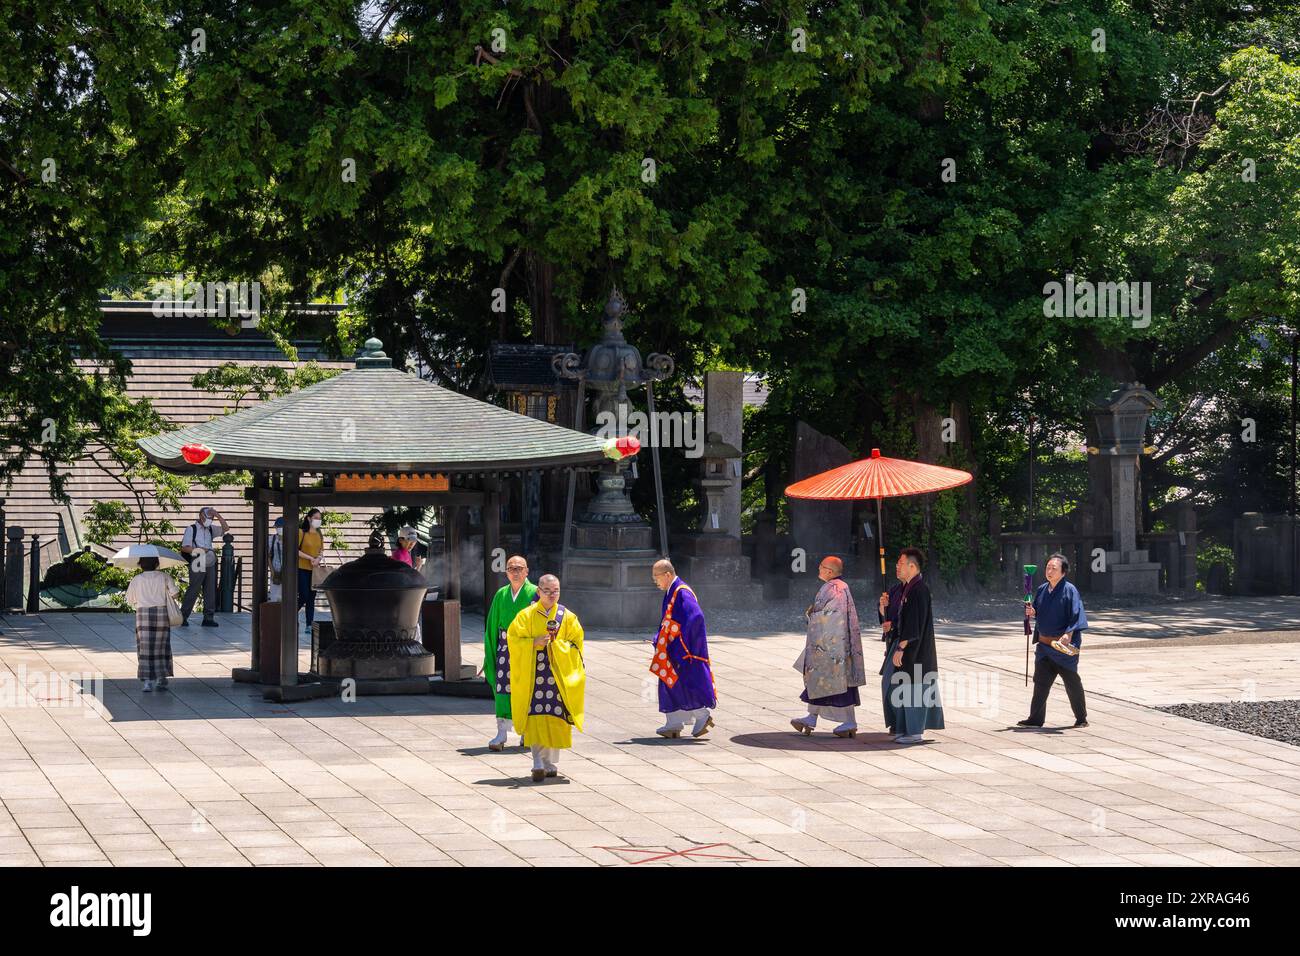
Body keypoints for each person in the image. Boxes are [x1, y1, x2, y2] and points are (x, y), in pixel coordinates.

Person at [505, 573, 585, 782]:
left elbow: (577, 645)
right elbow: (513, 640)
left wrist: (557, 646)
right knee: (535, 718)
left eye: (555, 590)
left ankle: (550, 762)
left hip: (558, 677)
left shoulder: (568, 617)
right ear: (538, 592)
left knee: (555, 718)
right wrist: (532, 642)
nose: (551, 595)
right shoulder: (526, 616)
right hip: (535, 676)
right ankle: (537, 762)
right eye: (547, 591)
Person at [791, 555, 865, 738]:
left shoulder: (836, 588)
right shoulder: (838, 587)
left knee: (840, 683)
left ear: (830, 571)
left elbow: (832, 616)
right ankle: (811, 717)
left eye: (822, 566)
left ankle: (849, 721)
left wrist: (814, 616)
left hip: (833, 644)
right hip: (830, 643)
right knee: (819, 679)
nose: (819, 568)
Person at [1018, 553, 1089, 729]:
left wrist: (1069, 634)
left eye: (1054, 568)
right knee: (1040, 683)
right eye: (1048, 567)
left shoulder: (1070, 590)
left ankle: (1081, 718)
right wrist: (1032, 612)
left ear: (1063, 572)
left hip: (1062, 646)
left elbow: (1076, 615)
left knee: (1072, 683)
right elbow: (1038, 611)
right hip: (1044, 645)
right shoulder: (1042, 589)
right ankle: (1036, 718)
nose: (1049, 571)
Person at [882, 547, 945, 744]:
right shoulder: (906, 588)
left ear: (912, 566)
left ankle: (915, 731)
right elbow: (898, 618)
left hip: (916, 648)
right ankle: (903, 727)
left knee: (915, 687)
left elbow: (914, 623)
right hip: (907, 644)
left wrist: (902, 646)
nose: (897, 567)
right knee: (899, 685)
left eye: (901, 563)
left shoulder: (919, 589)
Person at [649, 559, 716, 739]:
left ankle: (702, 715)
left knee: (685, 683)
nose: (655, 581)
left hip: (684, 650)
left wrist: (682, 643)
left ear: (668, 575)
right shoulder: (672, 591)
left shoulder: (682, 592)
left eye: (657, 577)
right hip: (673, 647)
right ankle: (674, 722)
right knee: (669, 681)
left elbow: (696, 618)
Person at [484, 555, 538, 751]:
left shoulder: (535, 593)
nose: (515, 572)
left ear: (527, 571)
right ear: (506, 572)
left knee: (527, 688)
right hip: (505, 648)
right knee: (502, 688)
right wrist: (490, 652)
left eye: (519, 568)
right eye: (511, 568)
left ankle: (526, 731)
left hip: (527, 647)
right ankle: (502, 732)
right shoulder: (501, 594)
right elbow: (491, 625)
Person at [124, 557, 180, 693]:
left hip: (143, 613)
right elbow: (175, 594)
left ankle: (147, 682)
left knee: (145, 647)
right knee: (162, 646)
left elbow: (130, 600)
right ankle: (161, 678)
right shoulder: (165, 576)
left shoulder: (136, 579)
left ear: (140, 565)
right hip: (161, 612)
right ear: (156, 564)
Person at [178, 506, 227, 627]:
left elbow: (226, 528)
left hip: (209, 559)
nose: (210, 520)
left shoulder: (210, 528)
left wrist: (218, 515)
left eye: (212, 518)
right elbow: (185, 547)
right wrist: (200, 550)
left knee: (210, 588)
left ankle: (208, 617)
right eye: (209, 517)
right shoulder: (191, 529)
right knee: (194, 588)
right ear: (201, 516)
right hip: (197, 558)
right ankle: (183, 616)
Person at [297, 508, 325, 633]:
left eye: (320, 518)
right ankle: (291, 614)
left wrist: (318, 558)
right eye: (316, 518)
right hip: (302, 568)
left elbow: (321, 551)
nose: (318, 520)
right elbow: (295, 550)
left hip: (314, 569)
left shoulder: (319, 534)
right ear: (309, 518)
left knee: (311, 598)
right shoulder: (301, 532)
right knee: (304, 595)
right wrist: (310, 558)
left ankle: (309, 624)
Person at [268, 517, 285, 602]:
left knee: (285, 598)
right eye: (277, 527)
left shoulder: (293, 538)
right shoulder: (272, 539)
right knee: (275, 598)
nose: (278, 529)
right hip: (275, 571)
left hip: (288, 572)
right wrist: (272, 572)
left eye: (280, 527)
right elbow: (268, 556)